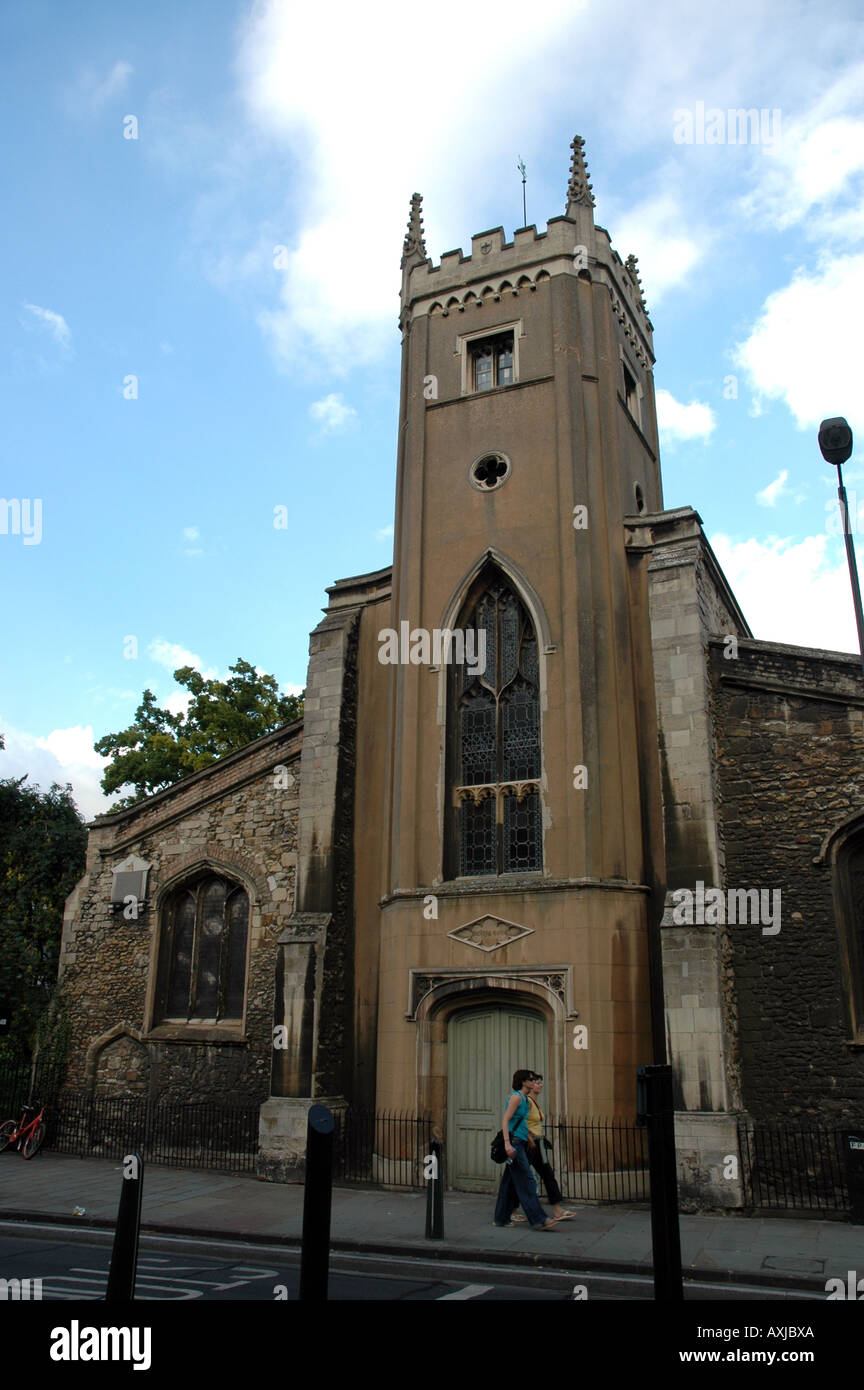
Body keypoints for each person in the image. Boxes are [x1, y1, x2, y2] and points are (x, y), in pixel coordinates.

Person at [492, 1069, 558, 1231]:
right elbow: (506, 1120)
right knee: (527, 1180)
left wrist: (529, 1139)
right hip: (514, 1143)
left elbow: (521, 1122)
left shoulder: (524, 1099)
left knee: (508, 1183)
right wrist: (507, 1144)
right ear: (523, 1081)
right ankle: (539, 1218)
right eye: (530, 1079)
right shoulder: (516, 1097)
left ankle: (500, 1218)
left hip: (521, 1141)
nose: (533, 1082)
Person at [510, 1073, 573, 1222]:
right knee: (520, 1177)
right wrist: (529, 1135)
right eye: (537, 1082)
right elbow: (520, 1121)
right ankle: (512, 1209)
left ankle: (558, 1209)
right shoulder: (526, 1102)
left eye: (540, 1083)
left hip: (538, 1143)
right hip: (528, 1143)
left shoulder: (534, 1102)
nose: (539, 1085)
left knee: (547, 1174)